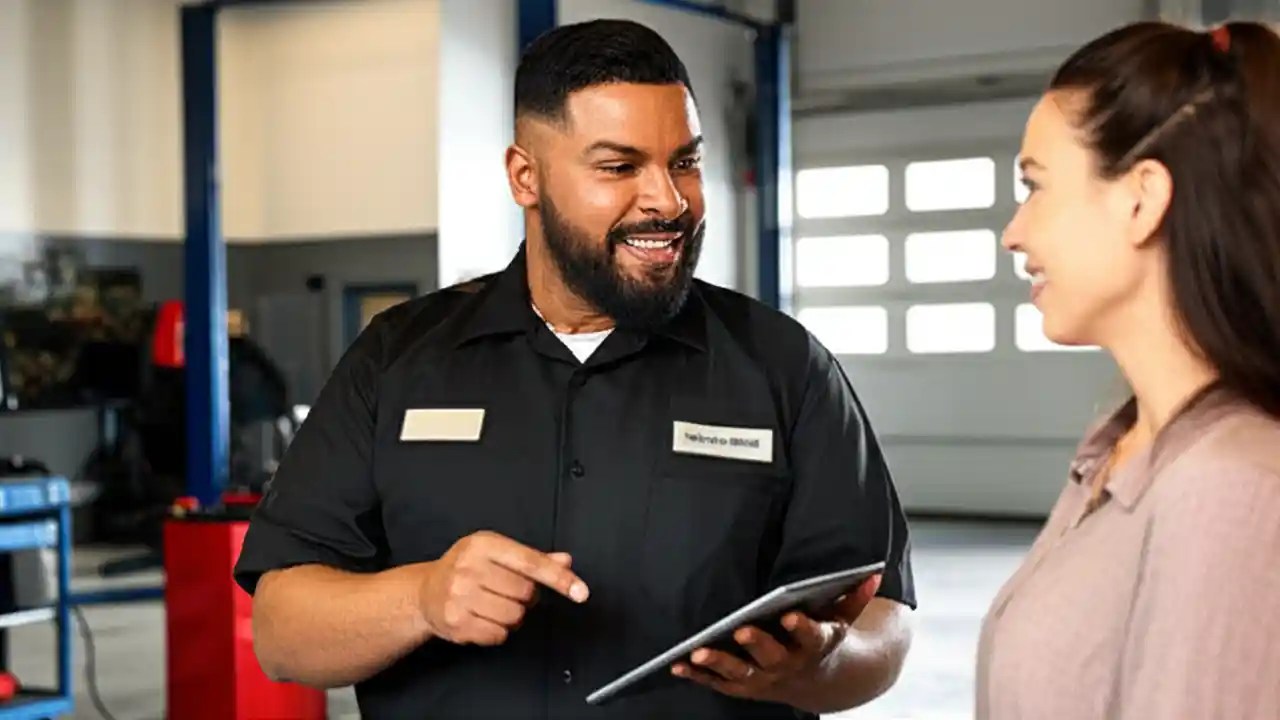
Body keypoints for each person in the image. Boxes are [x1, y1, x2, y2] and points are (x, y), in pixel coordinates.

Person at [234, 18, 915, 719]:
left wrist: (817, 665)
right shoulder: (396, 358)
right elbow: (283, 636)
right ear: (525, 177)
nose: (668, 201)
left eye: (684, 161)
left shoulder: (783, 367)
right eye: (619, 167)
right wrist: (421, 599)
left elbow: (883, 623)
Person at [982, 20, 1280, 719]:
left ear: (1141, 199)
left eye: (1037, 185)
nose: (1013, 231)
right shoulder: (1119, 452)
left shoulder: (1231, 489)